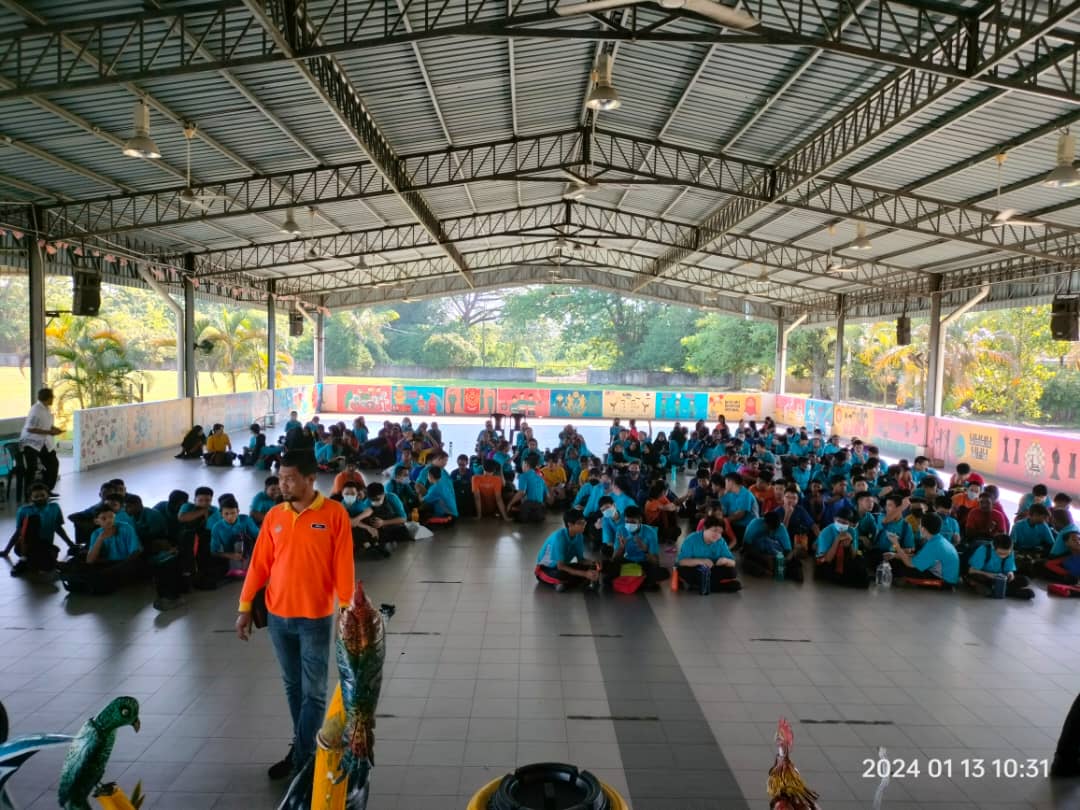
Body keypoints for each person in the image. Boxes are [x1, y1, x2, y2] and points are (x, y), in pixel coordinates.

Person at [236, 450, 355, 781]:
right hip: (278, 617)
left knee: (314, 692)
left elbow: (343, 565)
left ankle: (302, 758)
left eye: (289, 479)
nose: (282, 484)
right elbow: (259, 565)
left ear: (310, 478)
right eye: (280, 478)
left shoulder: (334, 514)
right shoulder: (275, 515)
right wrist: (244, 608)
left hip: (315, 617)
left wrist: (346, 609)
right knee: (293, 687)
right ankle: (305, 748)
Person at [1, 482, 72, 577]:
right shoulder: (24, 510)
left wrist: (70, 544)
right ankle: (23, 560)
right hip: (25, 547)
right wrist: (6, 551)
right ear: (31, 498)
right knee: (33, 519)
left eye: (42, 495)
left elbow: (58, 528)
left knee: (48, 564)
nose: (40, 498)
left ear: (48, 495)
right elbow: (19, 532)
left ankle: (29, 562)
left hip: (45, 546)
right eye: (36, 496)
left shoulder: (55, 508)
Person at [603, 505, 669, 590]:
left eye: (633, 522)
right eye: (627, 522)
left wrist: (646, 550)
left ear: (640, 520)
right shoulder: (621, 530)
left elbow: (656, 562)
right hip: (627, 563)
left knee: (664, 572)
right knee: (607, 566)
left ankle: (633, 579)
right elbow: (615, 559)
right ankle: (642, 581)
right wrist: (621, 548)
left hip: (644, 564)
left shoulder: (650, 532)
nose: (629, 525)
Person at [886, 512, 960, 588]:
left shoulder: (934, 545)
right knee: (896, 562)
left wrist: (896, 544)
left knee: (899, 568)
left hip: (943, 582)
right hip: (942, 577)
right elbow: (918, 556)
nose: (919, 527)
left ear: (923, 529)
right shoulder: (937, 539)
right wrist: (895, 555)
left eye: (920, 525)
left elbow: (910, 563)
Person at [534, 509, 599, 592]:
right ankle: (564, 582)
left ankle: (565, 583)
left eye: (584, 522)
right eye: (580, 523)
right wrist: (584, 574)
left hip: (563, 566)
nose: (583, 525)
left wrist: (594, 563)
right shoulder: (559, 537)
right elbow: (560, 566)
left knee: (591, 568)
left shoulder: (579, 536)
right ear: (570, 524)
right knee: (561, 574)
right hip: (546, 568)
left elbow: (581, 560)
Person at [675, 516, 742, 594]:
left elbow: (732, 562)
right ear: (704, 528)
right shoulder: (691, 539)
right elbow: (682, 561)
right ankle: (715, 586)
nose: (717, 535)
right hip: (695, 569)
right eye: (714, 530)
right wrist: (701, 561)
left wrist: (725, 560)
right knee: (685, 571)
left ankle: (702, 585)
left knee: (732, 571)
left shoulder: (720, 541)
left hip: (713, 569)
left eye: (720, 532)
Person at [19, 387, 62, 500]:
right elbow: (30, 428)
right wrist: (49, 432)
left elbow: (46, 425)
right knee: (32, 469)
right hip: (30, 443)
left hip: (42, 442)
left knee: (53, 464)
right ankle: (29, 495)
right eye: (52, 397)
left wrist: (54, 429)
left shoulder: (46, 409)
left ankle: (46, 490)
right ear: (47, 398)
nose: (53, 399)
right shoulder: (36, 410)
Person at [965, 535, 1035, 600]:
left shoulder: (1010, 552)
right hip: (985, 577)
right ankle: (1008, 591)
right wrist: (990, 575)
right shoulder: (984, 550)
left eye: (1006, 554)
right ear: (993, 547)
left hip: (1000, 578)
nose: (1003, 556)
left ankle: (998, 590)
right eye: (1000, 553)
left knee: (1025, 580)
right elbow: (971, 570)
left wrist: (1010, 573)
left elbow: (1009, 569)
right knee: (979, 579)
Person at [814, 507, 868, 588]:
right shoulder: (826, 532)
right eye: (839, 521)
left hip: (845, 559)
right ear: (834, 519)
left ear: (849, 524)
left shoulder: (852, 531)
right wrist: (837, 540)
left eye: (844, 523)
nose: (841, 524)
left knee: (861, 564)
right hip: (827, 561)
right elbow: (827, 559)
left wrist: (850, 543)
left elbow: (854, 555)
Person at [210, 496, 260, 581]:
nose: (230, 517)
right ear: (221, 514)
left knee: (242, 537)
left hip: (247, 552)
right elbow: (214, 552)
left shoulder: (245, 520)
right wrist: (230, 555)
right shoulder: (217, 527)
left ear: (238, 512)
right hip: (230, 556)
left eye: (233, 513)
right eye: (226, 514)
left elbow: (259, 536)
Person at [742, 511, 802, 582]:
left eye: (774, 529)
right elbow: (746, 546)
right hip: (758, 553)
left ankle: (778, 571)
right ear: (764, 522)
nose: (771, 532)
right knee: (746, 562)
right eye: (769, 528)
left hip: (774, 555)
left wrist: (783, 561)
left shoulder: (781, 528)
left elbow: (788, 550)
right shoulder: (755, 524)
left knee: (794, 561)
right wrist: (765, 558)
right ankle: (767, 571)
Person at [508, 457, 549, 523]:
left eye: (522, 464)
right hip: (541, 512)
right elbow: (547, 495)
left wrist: (510, 504)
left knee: (511, 504)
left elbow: (521, 493)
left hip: (528, 510)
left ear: (526, 464)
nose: (522, 466)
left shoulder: (524, 476)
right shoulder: (540, 478)